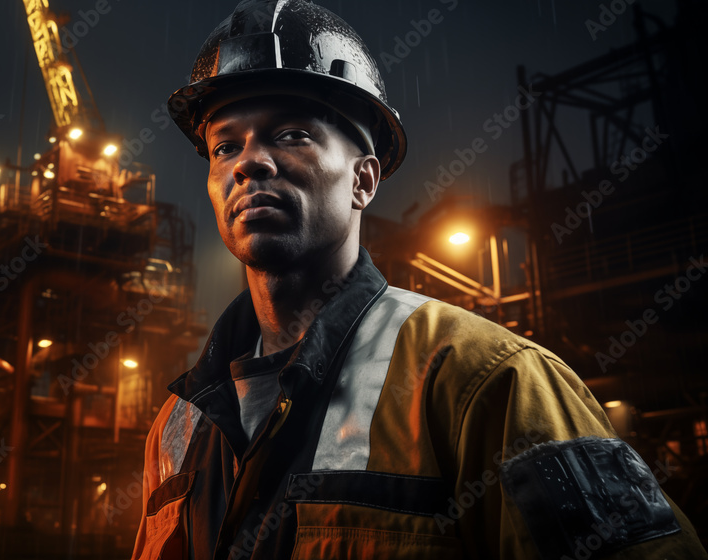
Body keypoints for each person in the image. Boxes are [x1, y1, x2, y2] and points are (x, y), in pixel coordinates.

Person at [130, 1, 708, 558]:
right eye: (224, 145)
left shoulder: (490, 382)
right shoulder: (180, 422)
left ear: (364, 180)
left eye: (292, 134)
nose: (248, 163)